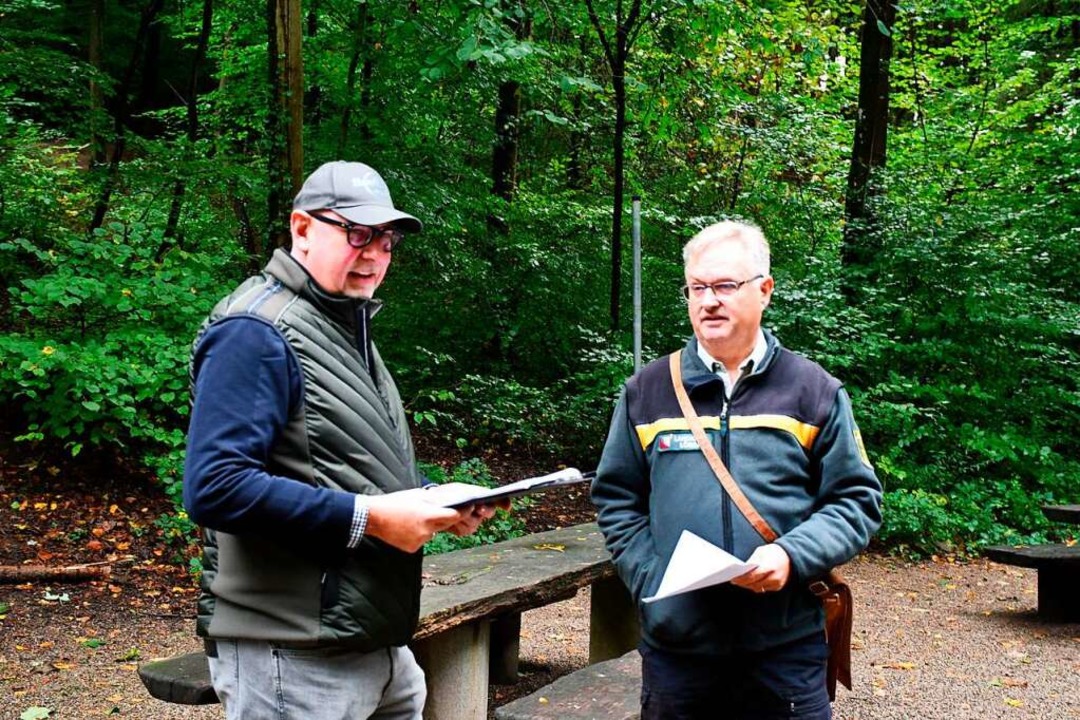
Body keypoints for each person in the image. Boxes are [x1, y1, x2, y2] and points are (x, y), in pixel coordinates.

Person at [183, 160, 505, 720]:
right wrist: (373, 518)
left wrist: (434, 498)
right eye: (358, 234)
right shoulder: (254, 332)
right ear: (302, 229)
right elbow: (215, 487)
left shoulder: (341, 324)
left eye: (388, 240)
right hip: (291, 649)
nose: (376, 253)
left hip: (369, 639)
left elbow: (336, 465)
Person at [591, 220, 882, 720]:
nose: (709, 301)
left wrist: (792, 555)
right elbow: (617, 498)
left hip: (784, 645)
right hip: (678, 651)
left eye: (725, 286)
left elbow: (856, 501)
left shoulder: (813, 390)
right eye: (697, 287)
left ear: (764, 290)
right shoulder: (648, 390)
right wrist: (651, 580)